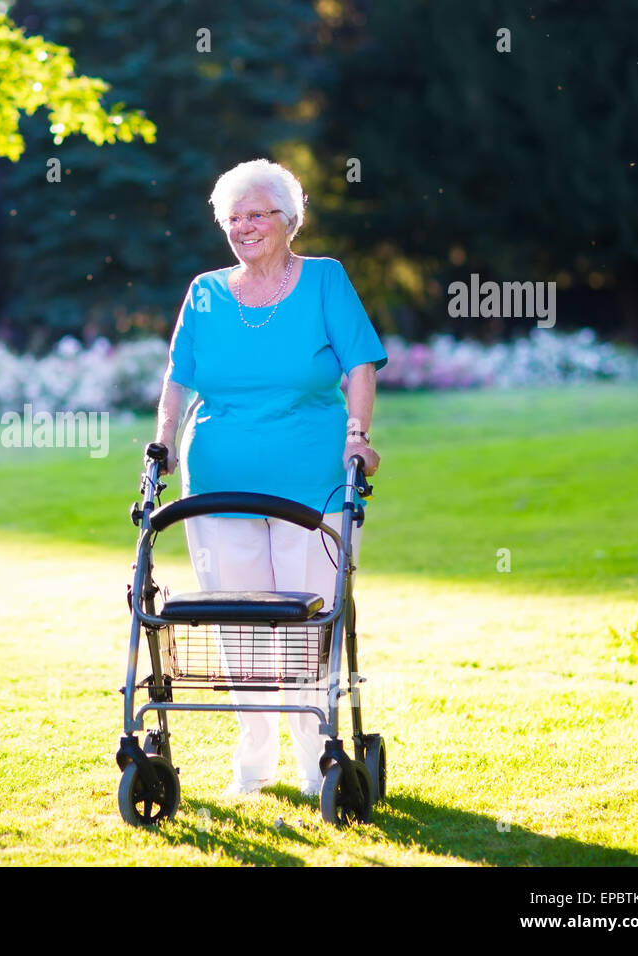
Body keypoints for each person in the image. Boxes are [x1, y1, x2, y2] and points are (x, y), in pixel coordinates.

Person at [148, 159, 386, 800]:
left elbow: (361, 363)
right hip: (219, 484)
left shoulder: (325, 281)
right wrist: (162, 445)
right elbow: (178, 379)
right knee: (241, 625)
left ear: (288, 220)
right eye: (233, 218)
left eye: (258, 214)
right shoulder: (204, 292)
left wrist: (358, 437)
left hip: (314, 484)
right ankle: (253, 764)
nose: (245, 227)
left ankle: (319, 762)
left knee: (308, 620)